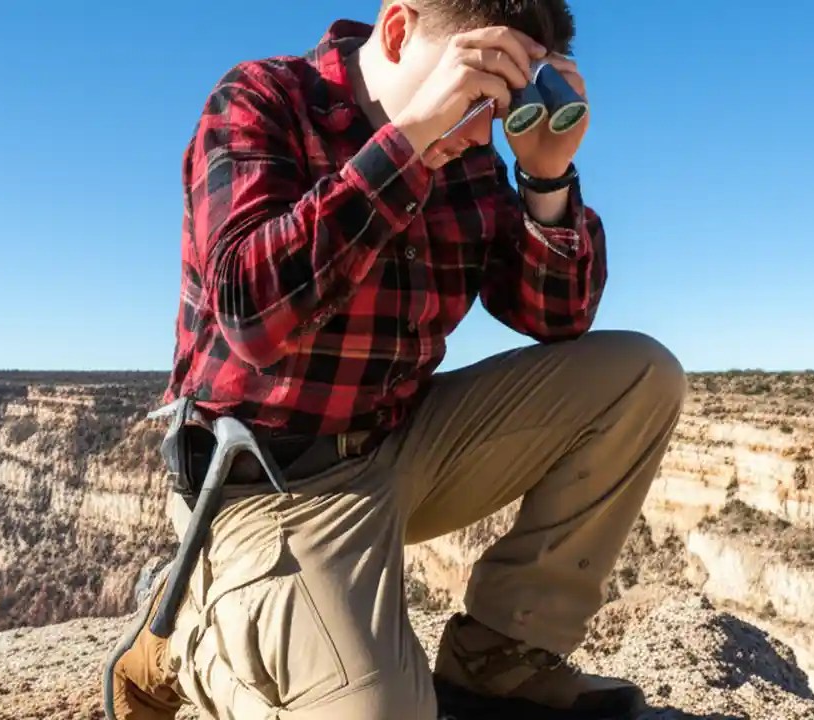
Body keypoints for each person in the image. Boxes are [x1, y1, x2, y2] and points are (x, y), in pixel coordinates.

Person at [108, 1, 686, 718]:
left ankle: (499, 661)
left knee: (638, 376)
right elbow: (251, 312)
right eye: (478, 92)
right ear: (397, 29)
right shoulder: (265, 99)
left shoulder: (471, 156)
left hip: (401, 445)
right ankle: (187, 638)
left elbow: (556, 317)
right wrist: (408, 145)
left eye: (506, 102)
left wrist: (546, 179)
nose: (484, 132)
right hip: (269, 485)